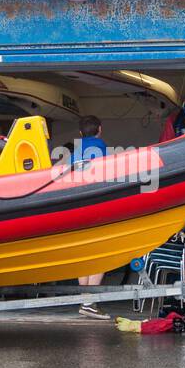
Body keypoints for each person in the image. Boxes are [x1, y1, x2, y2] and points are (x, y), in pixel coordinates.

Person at [74, 116, 110, 319]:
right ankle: (90, 301)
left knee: (84, 253)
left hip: (77, 208)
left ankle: (85, 300)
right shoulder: (101, 147)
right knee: (102, 253)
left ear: (80, 133)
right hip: (96, 207)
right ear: (100, 129)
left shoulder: (74, 152)